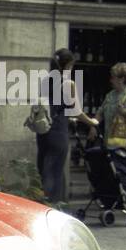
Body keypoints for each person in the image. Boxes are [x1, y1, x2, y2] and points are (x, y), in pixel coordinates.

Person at [36, 48, 79, 205]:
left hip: (44, 131)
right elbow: (75, 109)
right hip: (59, 132)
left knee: (43, 169)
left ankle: (40, 202)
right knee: (55, 171)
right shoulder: (69, 84)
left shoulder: (45, 81)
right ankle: (52, 205)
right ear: (67, 65)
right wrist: (91, 122)